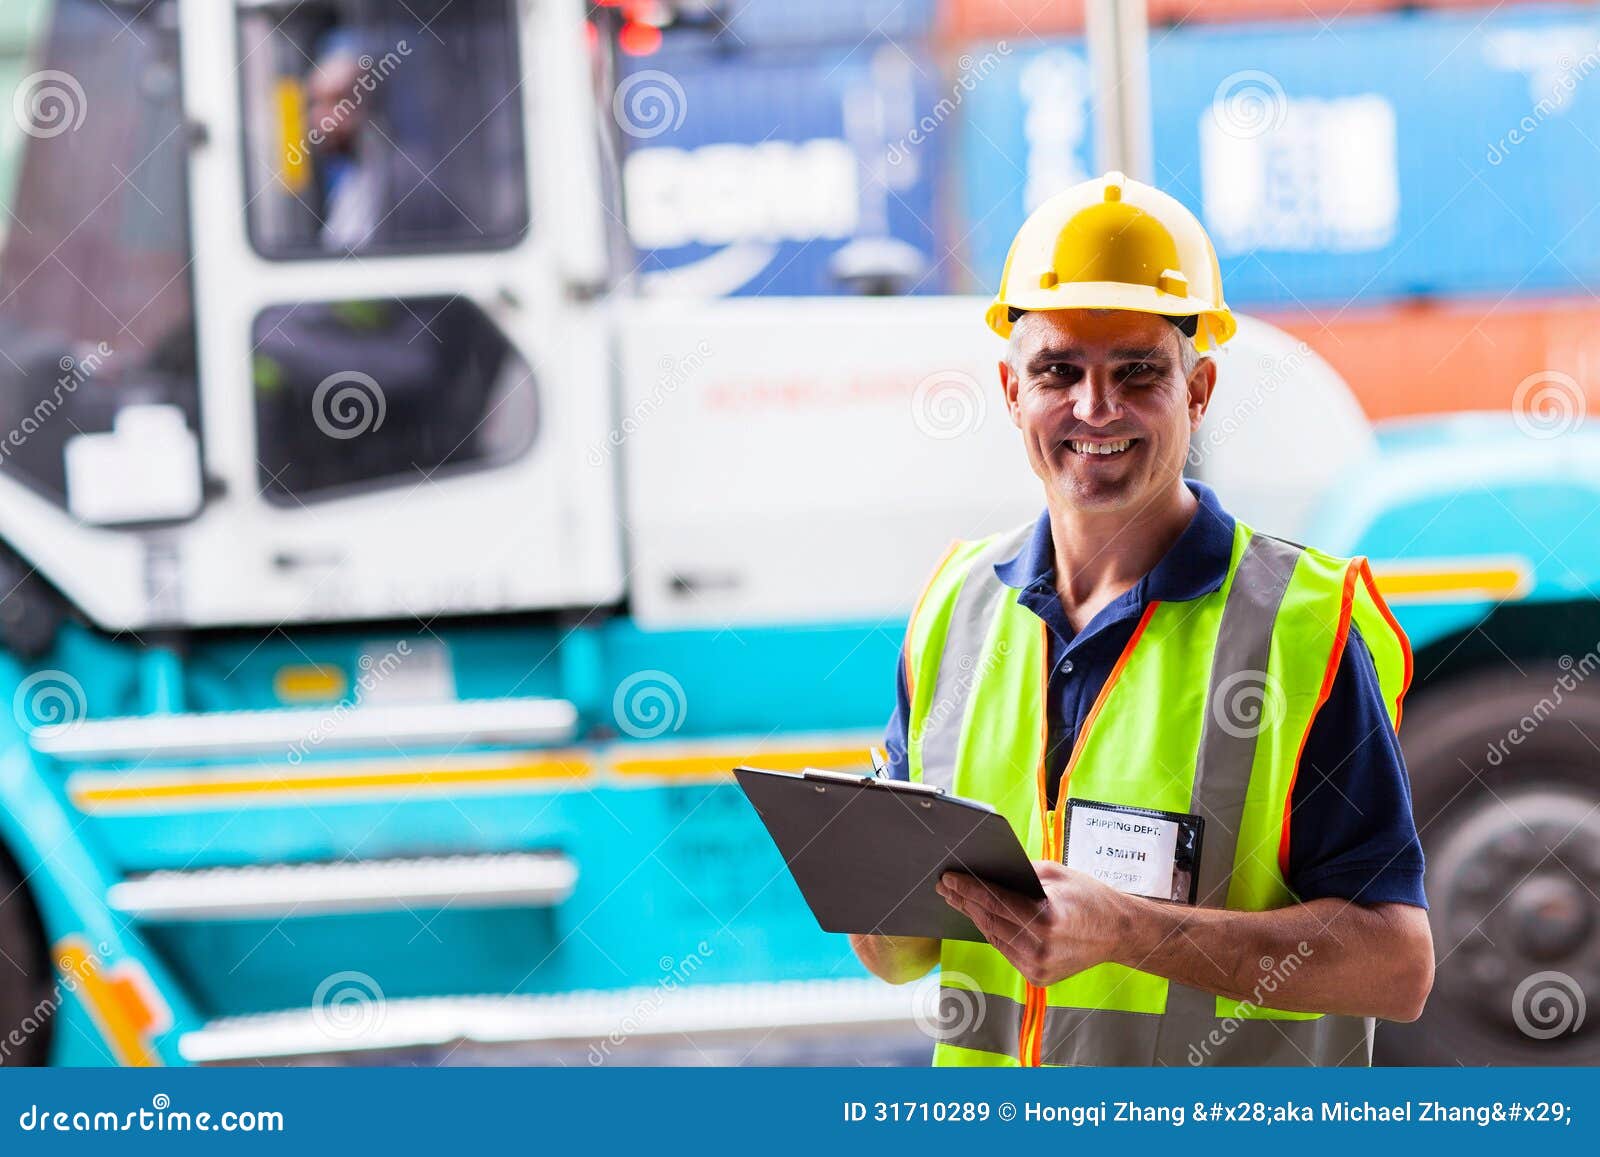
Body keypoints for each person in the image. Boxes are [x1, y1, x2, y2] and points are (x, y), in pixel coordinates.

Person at [853, 171, 1433, 1067]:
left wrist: (1130, 930)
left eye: (1137, 372)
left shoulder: (1303, 626)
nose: (1095, 408)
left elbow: (1396, 966)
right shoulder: (955, 607)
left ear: (1197, 391)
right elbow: (902, 954)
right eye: (1058, 371)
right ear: (1011, 392)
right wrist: (862, 875)